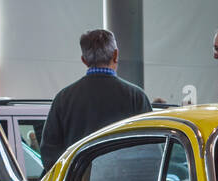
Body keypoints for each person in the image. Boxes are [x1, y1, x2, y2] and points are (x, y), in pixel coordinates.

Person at [40, 29, 151, 172]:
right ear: (116, 55)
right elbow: (149, 151)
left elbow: (50, 155)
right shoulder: (136, 97)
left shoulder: (63, 98)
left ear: (84, 60)